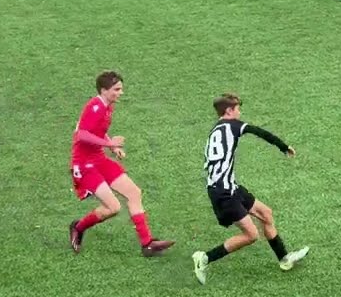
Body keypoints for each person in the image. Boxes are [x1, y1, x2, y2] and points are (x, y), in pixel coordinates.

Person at [192, 94, 308, 285]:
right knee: (251, 235)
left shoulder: (216, 129)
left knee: (266, 214)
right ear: (229, 111)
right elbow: (260, 132)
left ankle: (284, 259)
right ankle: (204, 258)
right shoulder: (234, 125)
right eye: (237, 108)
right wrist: (283, 146)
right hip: (223, 192)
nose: (240, 112)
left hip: (229, 187)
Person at [68, 71, 174, 256]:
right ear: (104, 90)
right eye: (117, 89)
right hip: (85, 164)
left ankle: (147, 244)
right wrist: (110, 143)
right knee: (113, 208)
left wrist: (111, 147)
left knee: (134, 192)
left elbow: (96, 131)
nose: (121, 93)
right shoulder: (95, 106)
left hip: (98, 158)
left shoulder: (107, 106)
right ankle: (78, 227)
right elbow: (82, 134)